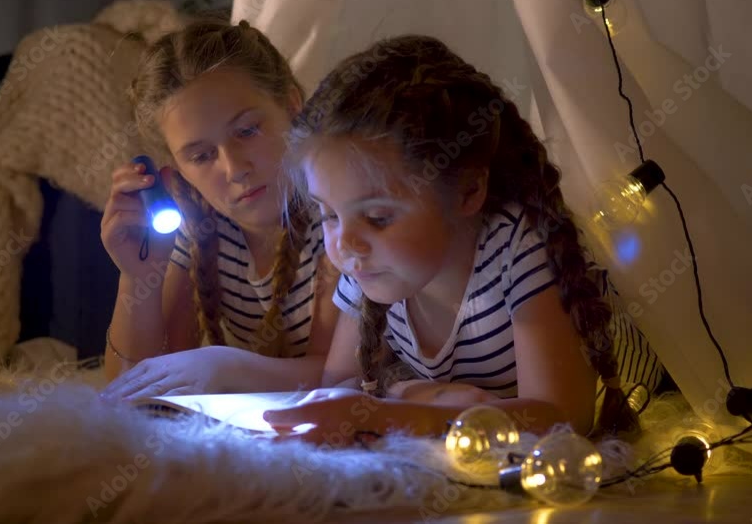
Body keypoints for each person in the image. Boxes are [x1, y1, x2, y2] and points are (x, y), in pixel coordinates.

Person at [262, 35, 640, 441]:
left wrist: (397, 414)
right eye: (329, 214)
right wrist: (414, 391)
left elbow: (562, 420)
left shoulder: (520, 249)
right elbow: (342, 384)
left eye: (377, 217)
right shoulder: (368, 262)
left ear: (467, 192)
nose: (344, 244)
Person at [99, 17, 339, 401]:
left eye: (247, 131)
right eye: (201, 155)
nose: (234, 168)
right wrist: (137, 275)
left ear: (292, 104)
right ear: (177, 167)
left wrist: (225, 367)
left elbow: (338, 376)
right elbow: (132, 386)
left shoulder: (339, 214)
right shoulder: (200, 228)